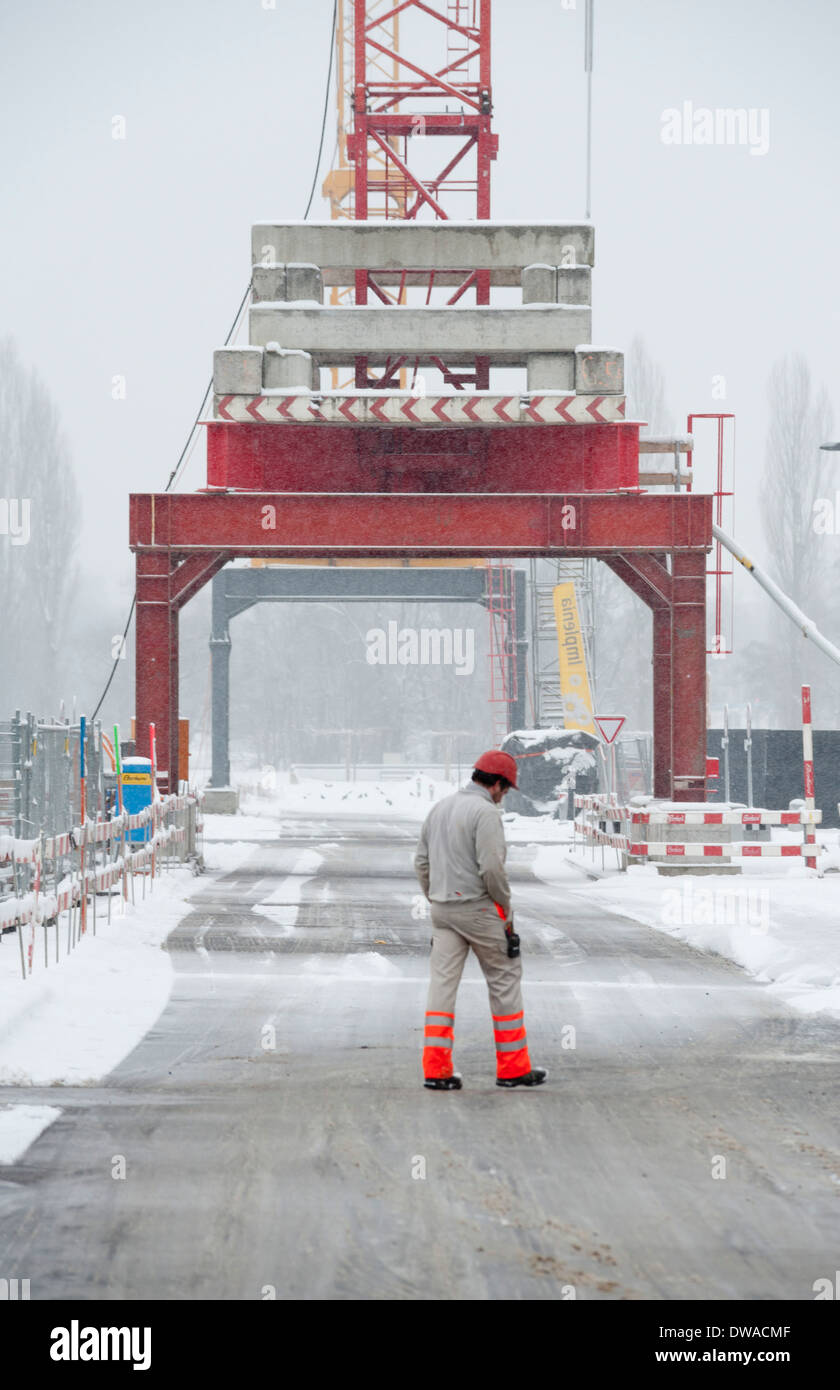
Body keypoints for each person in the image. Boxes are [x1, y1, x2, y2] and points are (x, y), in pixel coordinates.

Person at [413, 750, 547, 1092]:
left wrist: (436, 896)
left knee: (441, 986)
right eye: (506, 789)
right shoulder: (485, 813)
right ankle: (513, 1069)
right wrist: (505, 906)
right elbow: (491, 867)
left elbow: (421, 863)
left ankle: (436, 1070)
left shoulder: (439, 808)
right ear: (497, 783)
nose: (505, 796)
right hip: (480, 909)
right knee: (504, 980)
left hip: (443, 909)